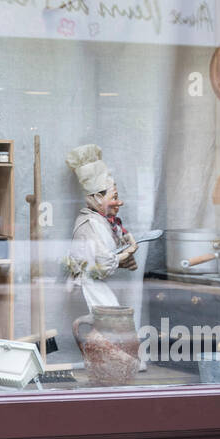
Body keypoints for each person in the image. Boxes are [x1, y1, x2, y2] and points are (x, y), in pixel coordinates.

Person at [64, 144, 146, 367]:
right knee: (113, 320)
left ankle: (118, 361)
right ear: (97, 198)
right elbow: (103, 261)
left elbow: (110, 250)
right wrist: (126, 253)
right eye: (114, 197)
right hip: (88, 282)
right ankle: (117, 362)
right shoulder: (89, 224)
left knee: (113, 320)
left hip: (96, 278)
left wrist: (125, 245)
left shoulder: (102, 221)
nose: (119, 202)